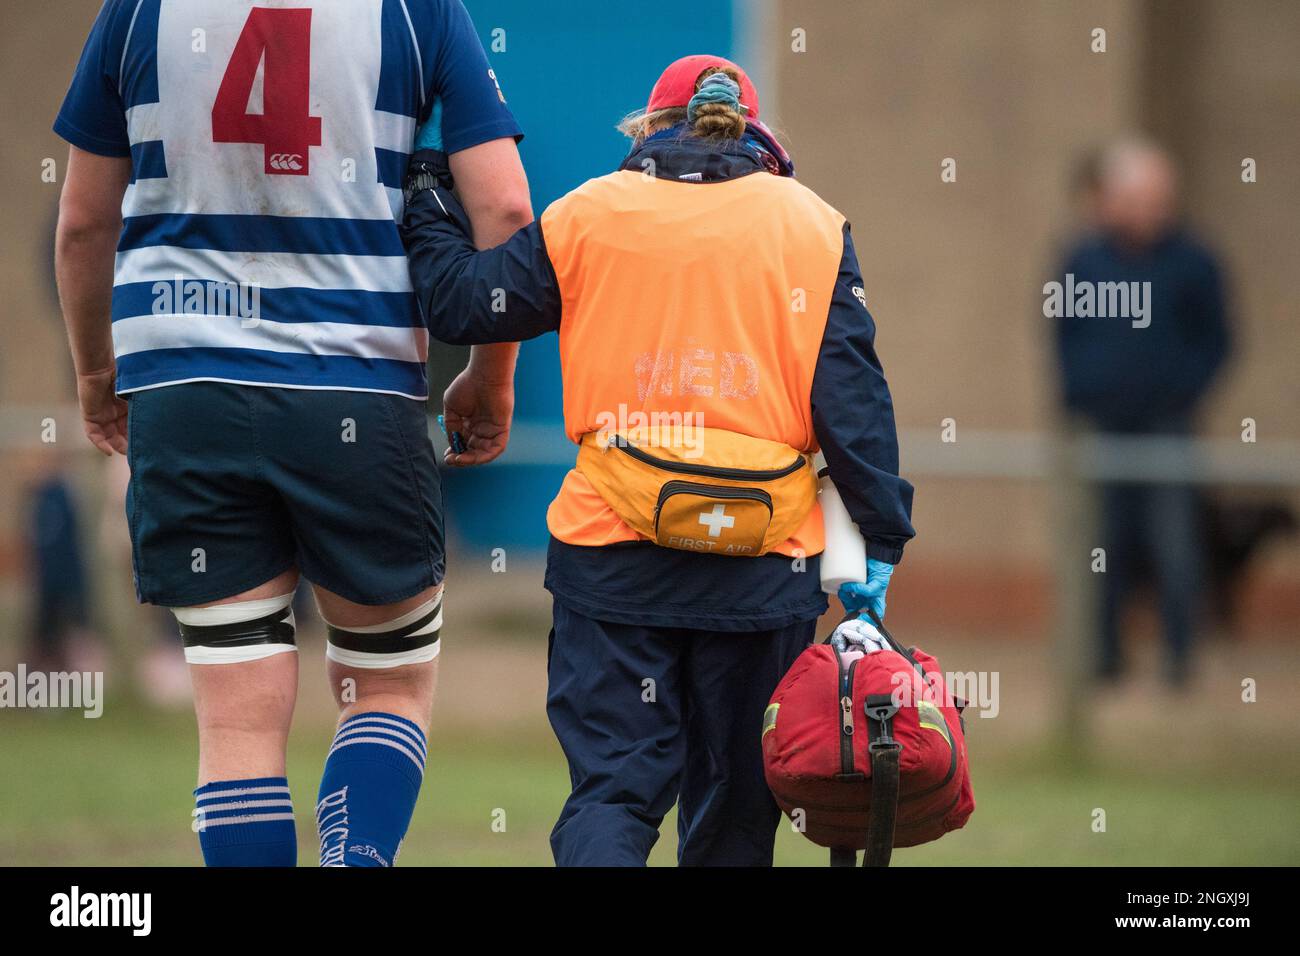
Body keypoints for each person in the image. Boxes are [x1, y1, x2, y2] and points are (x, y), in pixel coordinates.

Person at [402, 55, 915, 865]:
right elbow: (855, 406)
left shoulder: (595, 213)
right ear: (761, 140)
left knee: (613, 790)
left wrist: (428, 182)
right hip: (762, 570)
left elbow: (468, 300)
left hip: (614, 556)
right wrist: (879, 541)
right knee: (740, 811)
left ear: (649, 130)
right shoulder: (813, 225)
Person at [53, 0, 530, 866]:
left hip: (186, 385)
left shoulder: (138, 10)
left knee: (235, 723)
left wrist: (97, 375)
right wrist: (489, 380)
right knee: (385, 685)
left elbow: (84, 222)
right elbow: (504, 211)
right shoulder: (418, 12)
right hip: (356, 381)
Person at [1054, 138, 1231, 686]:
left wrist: (1181, 392)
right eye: (1132, 197)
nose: (1144, 209)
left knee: (1175, 542)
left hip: (1168, 429)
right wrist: (1080, 394)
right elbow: (1063, 333)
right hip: (1102, 428)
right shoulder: (1083, 259)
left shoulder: (1195, 262)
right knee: (1103, 545)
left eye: (1154, 198)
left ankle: (1179, 659)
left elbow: (1218, 340)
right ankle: (1104, 658)